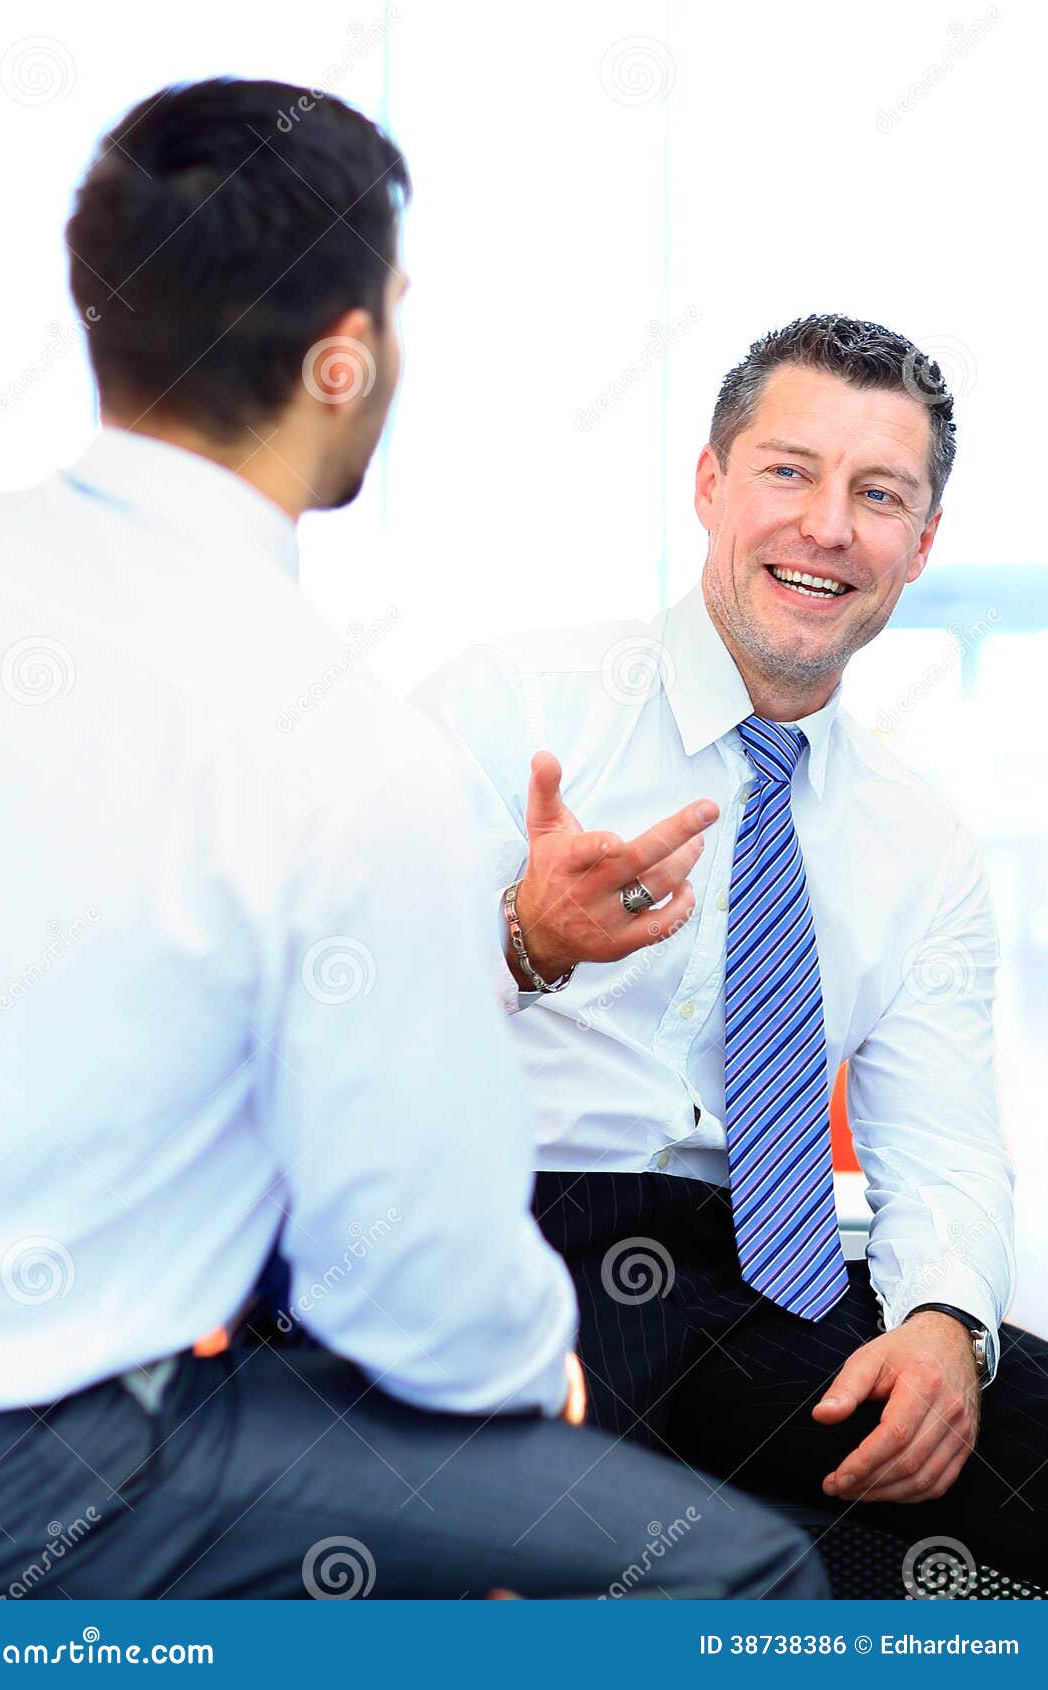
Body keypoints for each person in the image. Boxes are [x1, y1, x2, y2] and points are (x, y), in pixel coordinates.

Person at [0, 80, 826, 1602]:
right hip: (41, 1470)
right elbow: (414, 1281)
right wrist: (532, 1378)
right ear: (342, 359)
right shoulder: (335, 742)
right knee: (732, 1578)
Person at [413, 314, 1048, 1589]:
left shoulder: (916, 840)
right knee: (699, 1569)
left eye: (878, 495)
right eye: (787, 471)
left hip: (765, 1278)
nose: (826, 526)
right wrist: (522, 943)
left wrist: (939, 1323)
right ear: (709, 485)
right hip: (513, 1231)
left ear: (918, 547)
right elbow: (323, 1010)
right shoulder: (515, 704)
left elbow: (940, 1145)